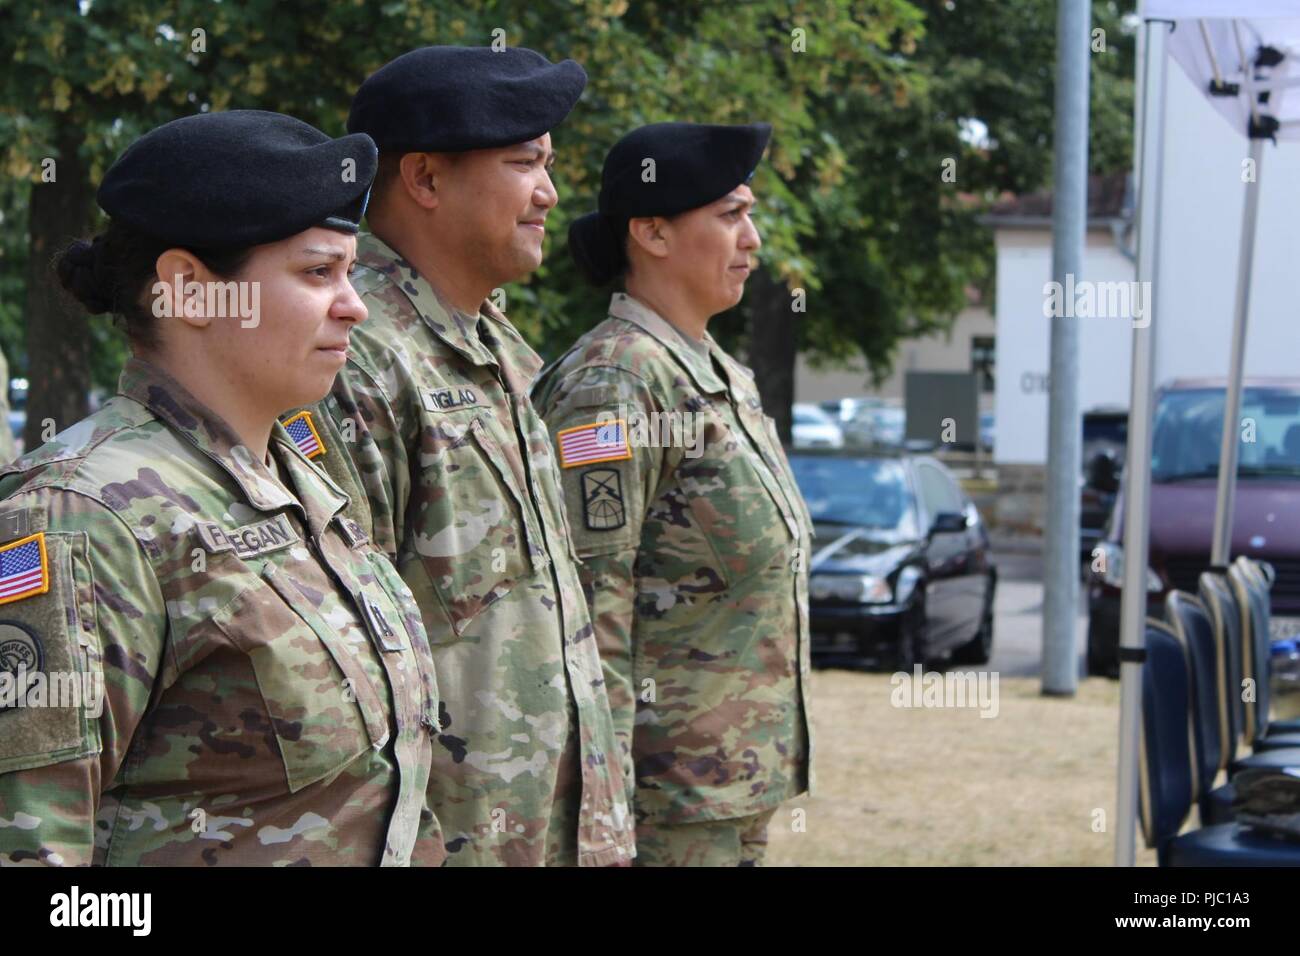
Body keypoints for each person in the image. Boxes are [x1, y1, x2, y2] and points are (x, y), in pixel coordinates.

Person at [0, 110, 445, 867]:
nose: (355, 305)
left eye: (350, 271)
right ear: (189, 289)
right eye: (317, 273)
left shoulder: (306, 484)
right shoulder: (80, 516)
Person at [288, 46, 632, 866]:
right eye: (524, 164)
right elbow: (340, 664)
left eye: (549, 164)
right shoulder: (353, 359)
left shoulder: (501, 352)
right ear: (427, 180)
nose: (550, 193)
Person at [532, 122, 814, 866]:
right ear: (652, 232)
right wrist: (603, 800)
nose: (751, 240)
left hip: (728, 782)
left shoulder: (712, 369)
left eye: (750, 215)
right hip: (660, 799)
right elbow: (593, 602)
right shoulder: (615, 383)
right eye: (729, 216)